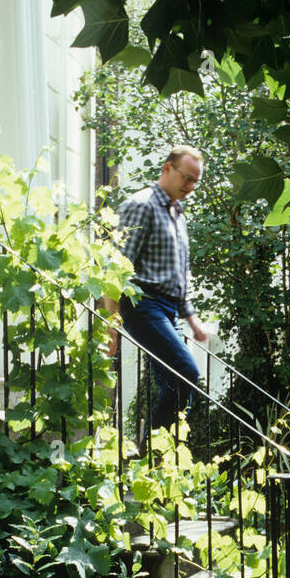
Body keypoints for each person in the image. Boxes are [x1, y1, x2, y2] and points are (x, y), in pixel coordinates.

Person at [103, 145, 214, 441]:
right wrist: (111, 327)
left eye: (195, 182)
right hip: (143, 305)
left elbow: (177, 277)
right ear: (167, 169)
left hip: (168, 310)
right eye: (186, 179)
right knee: (186, 372)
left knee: (182, 388)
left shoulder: (177, 213)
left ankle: (158, 460)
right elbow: (116, 269)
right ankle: (150, 454)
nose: (190, 187)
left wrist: (193, 322)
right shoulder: (141, 205)